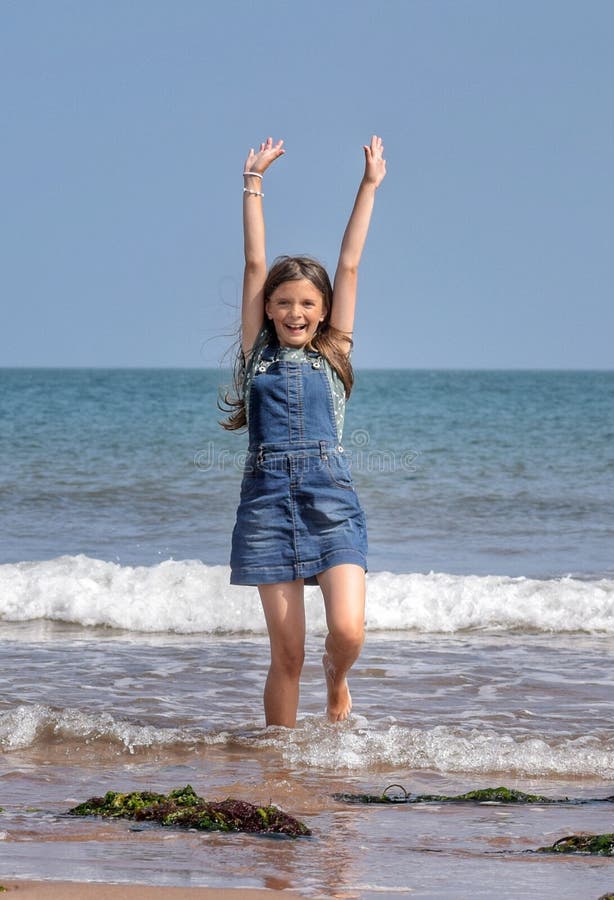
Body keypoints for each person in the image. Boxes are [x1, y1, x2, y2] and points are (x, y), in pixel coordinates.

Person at [222, 135, 386, 728]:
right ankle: (281, 772)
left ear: (323, 310)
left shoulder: (334, 354)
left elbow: (349, 262)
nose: (295, 311)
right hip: (266, 506)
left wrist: (368, 185)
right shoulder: (254, 357)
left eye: (307, 303)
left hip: (331, 502)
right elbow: (253, 266)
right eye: (284, 302)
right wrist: (253, 184)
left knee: (347, 629)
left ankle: (337, 677)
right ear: (268, 309)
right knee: (284, 654)